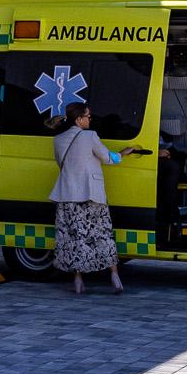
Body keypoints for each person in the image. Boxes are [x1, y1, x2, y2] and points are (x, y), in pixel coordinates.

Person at [50, 102, 146, 294]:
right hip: (90, 195)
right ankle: (114, 276)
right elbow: (108, 158)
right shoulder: (89, 136)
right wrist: (124, 153)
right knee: (101, 235)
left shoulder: (58, 139)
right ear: (78, 119)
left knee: (75, 238)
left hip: (68, 195)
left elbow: (62, 164)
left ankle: (78, 281)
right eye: (88, 116)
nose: (90, 119)